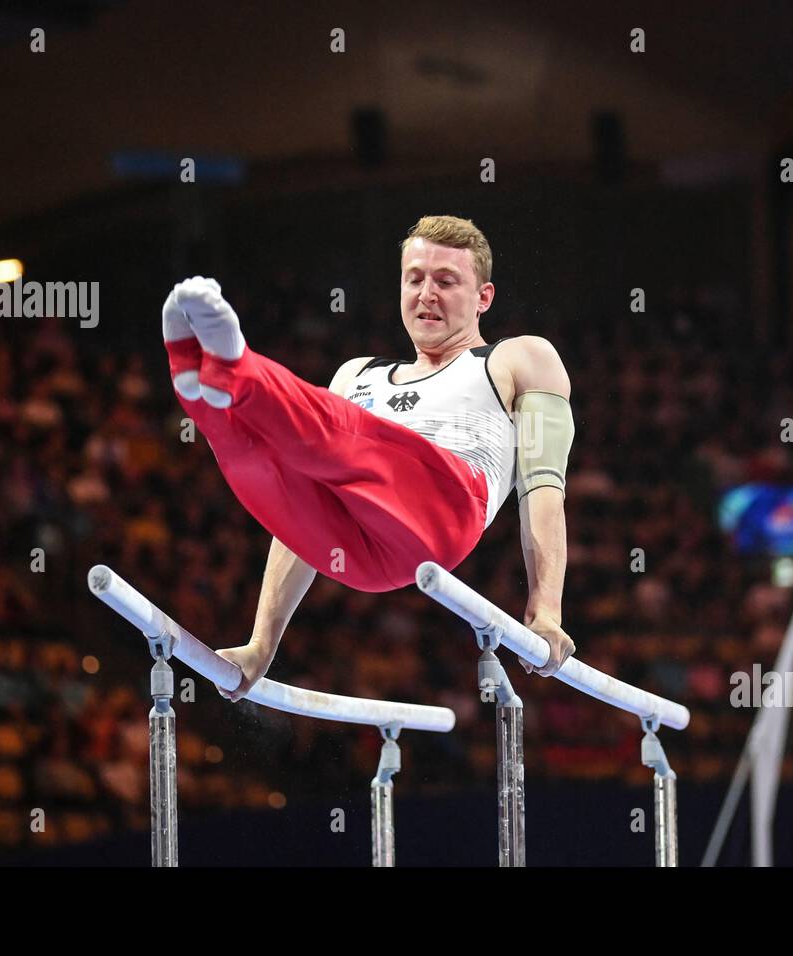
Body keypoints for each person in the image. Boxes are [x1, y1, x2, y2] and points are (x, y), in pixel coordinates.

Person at [161, 215, 576, 699]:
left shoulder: (521, 358)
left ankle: (237, 368)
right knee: (268, 467)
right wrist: (261, 645)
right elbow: (298, 519)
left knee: (343, 434)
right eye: (415, 279)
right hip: (359, 558)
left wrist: (546, 608)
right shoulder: (358, 374)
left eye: (446, 281)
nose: (427, 294)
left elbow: (544, 487)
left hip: (443, 514)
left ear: (484, 297)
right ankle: (205, 393)